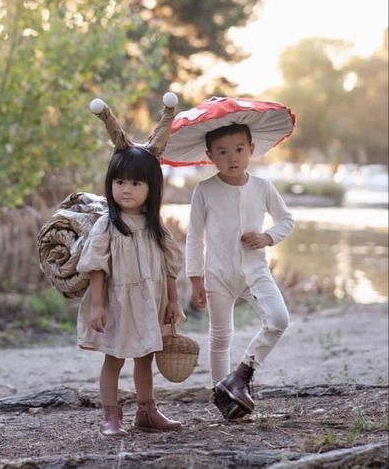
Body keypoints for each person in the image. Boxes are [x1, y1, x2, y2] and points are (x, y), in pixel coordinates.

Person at [186, 122, 295, 419]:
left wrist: (267, 237)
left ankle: (243, 374)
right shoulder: (205, 190)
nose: (232, 157)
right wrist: (195, 280)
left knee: (278, 319)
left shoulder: (263, 187)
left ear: (251, 150)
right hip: (217, 274)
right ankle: (223, 397)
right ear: (210, 155)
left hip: (255, 271)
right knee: (221, 336)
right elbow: (194, 237)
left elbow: (286, 220)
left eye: (238, 150)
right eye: (222, 152)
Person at [76, 146, 183, 436]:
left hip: (150, 302)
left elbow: (170, 265)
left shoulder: (156, 227)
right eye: (120, 182)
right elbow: (96, 267)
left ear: (152, 187)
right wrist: (97, 306)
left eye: (136, 183)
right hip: (118, 303)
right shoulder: (107, 225)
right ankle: (110, 416)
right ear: (110, 184)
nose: (126, 190)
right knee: (114, 357)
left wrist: (174, 301)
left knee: (146, 357)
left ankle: (147, 411)